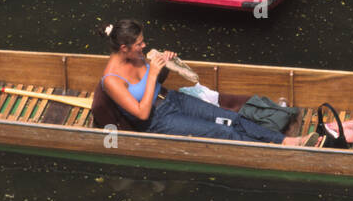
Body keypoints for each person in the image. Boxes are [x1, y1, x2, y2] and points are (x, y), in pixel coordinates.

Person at [97, 19, 305, 145]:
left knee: (232, 118)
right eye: (139, 43)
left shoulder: (136, 55)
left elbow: (155, 85)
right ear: (124, 48)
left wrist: (167, 65)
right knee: (224, 131)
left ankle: (286, 141)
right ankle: (273, 151)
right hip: (156, 120)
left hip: (172, 99)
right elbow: (141, 113)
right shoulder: (112, 80)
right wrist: (152, 75)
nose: (144, 45)